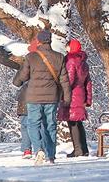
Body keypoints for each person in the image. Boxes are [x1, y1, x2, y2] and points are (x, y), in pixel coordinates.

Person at [13, 29, 71, 165]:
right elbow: (64, 80)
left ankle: (38, 149)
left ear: (38, 41)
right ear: (50, 40)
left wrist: (17, 81)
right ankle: (51, 154)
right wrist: (67, 98)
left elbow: (23, 76)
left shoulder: (31, 57)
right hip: (51, 97)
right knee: (50, 125)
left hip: (34, 97)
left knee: (33, 124)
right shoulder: (59, 57)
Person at [59, 39, 93, 157]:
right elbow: (88, 82)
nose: (66, 49)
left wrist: (62, 93)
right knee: (78, 123)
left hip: (72, 94)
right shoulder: (84, 62)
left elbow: (69, 79)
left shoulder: (71, 60)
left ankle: (77, 149)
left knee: (72, 122)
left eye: (67, 46)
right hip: (81, 94)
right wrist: (88, 99)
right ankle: (84, 149)